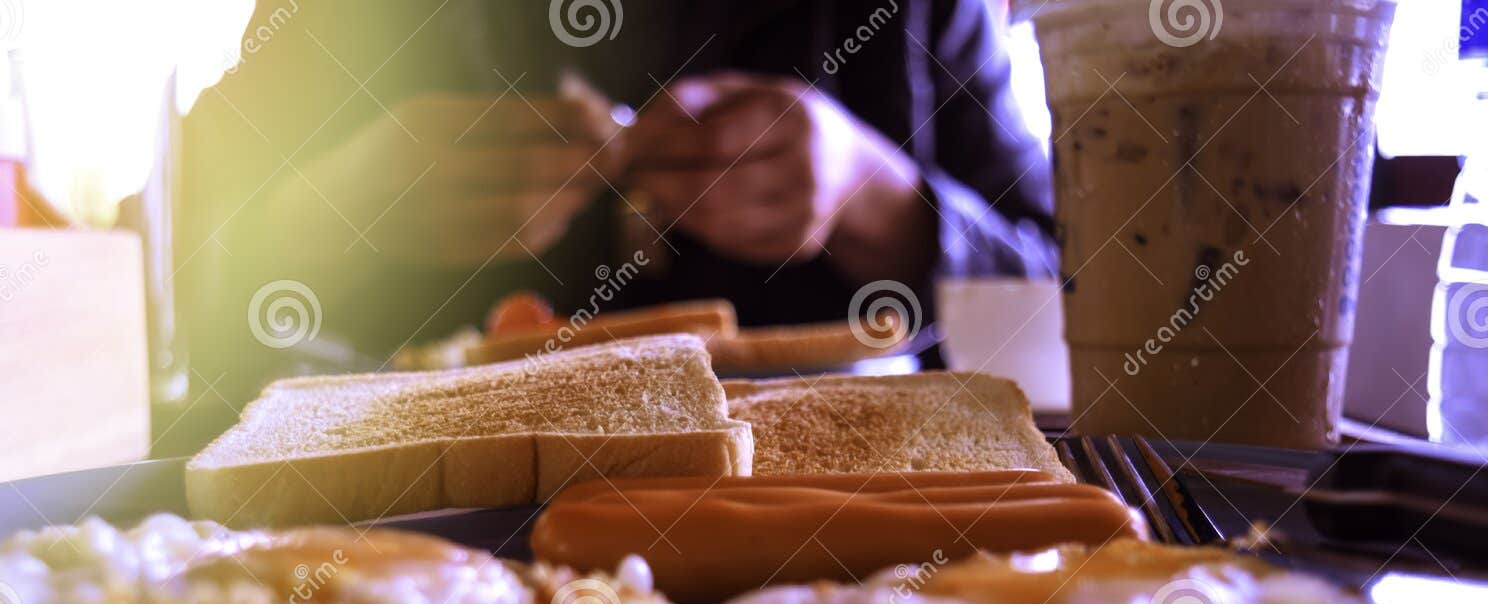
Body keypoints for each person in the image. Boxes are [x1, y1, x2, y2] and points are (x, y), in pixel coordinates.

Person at [179, 0, 1054, 379]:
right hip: (412, 562)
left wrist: (883, 202)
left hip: (850, 565)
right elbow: (151, 288)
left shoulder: (923, 16)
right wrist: (316, 218)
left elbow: (1069, 327)